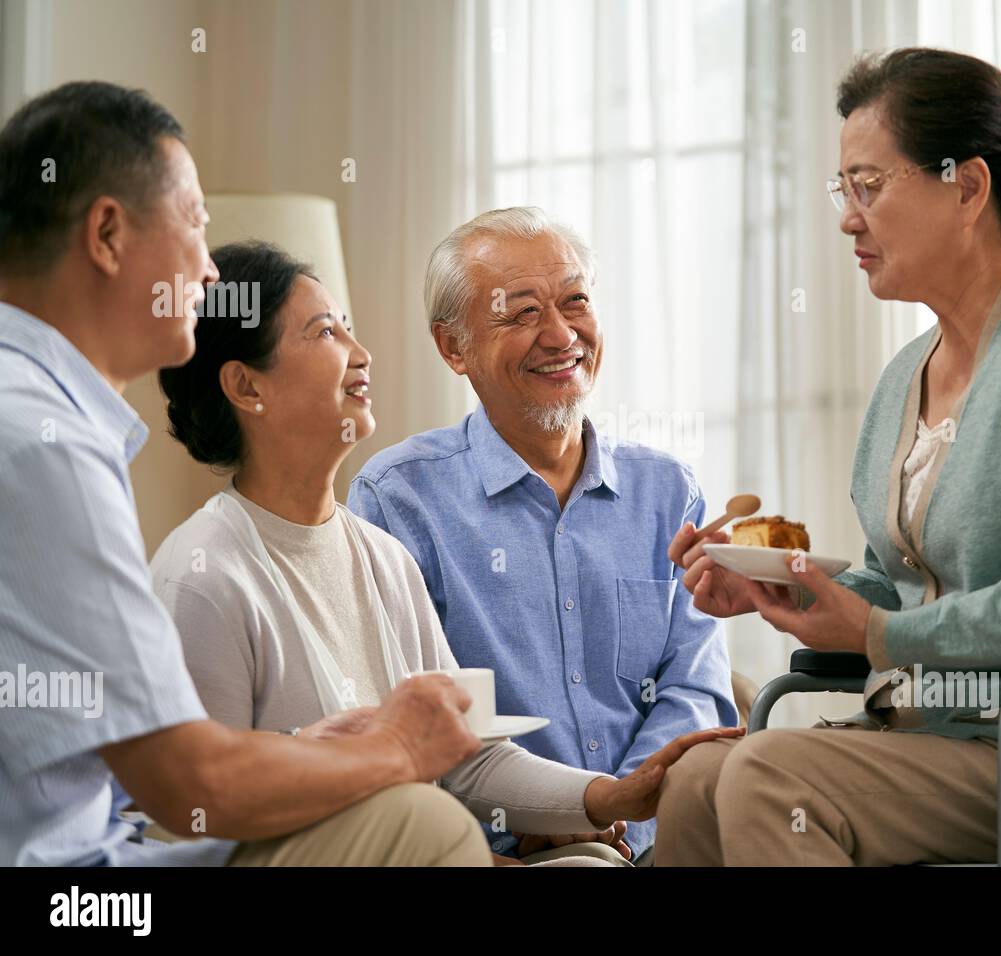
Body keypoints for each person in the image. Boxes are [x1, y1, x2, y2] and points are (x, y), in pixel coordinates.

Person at [657, 47, 1001, 866]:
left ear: (967, 187)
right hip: (942, 735)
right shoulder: (905, 376)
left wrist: (881, 634)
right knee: (696, 778)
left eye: (869, 186)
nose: (848, 218)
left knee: (770, 776)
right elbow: (900, 588)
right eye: (844, 190)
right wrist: (783, 588)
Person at [151, 239, 741, 866]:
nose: (361, 354)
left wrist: (611, 799)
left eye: (348, 329)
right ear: (246, 385)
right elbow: (196, 822)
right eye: (325, 333)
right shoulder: (204, 576)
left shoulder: (381, 557)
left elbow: (469, 755)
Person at [349, 207, 739, 860]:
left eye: (575, 301)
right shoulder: (398, 499)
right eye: (522, 313)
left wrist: (620, 815)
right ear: (453, 347)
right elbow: (400, 719)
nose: (560, 336)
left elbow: (695, 689)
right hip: (505, 848)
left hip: (662, 831)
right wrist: (551, 814)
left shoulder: (668, 490)